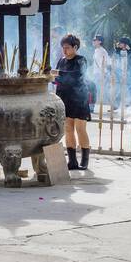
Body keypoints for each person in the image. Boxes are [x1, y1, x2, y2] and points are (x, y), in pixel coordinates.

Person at [54, 34, 91, 170]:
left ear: (75, 47)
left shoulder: (81, 60)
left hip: (79, 98)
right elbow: (57, 79)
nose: (64, 51)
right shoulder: (61, 61)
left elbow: (76, 75)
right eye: (63, 48)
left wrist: (58, 74)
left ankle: (85, 160)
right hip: (65, 97)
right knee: (68, 129)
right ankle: (72, 161)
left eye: (67, 48)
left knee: (80, 129)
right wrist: (53, 76)